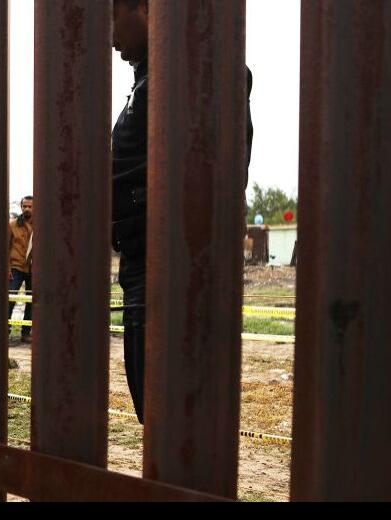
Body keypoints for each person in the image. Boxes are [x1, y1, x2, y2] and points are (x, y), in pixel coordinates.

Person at [111, 0, 253, 424]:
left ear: (144, 8)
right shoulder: (149, 83)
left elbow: (204, 177)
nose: (109, 38)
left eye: (112, 18)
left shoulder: (194, 76)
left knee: (172, 423)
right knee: (160, 423)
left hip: (169, 271)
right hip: (146, 266)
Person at [7, 197, 34, 343]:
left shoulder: (40, 225)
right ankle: (6, 330)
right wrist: (7, 268)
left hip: (33, 268)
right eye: (24, 206)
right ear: (21, 207)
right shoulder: (12, 225)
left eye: (30, 206)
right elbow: (5, 247)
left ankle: (26, 333)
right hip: (15, 267)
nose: (27, 209)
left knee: (31, 301)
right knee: (10, 299)